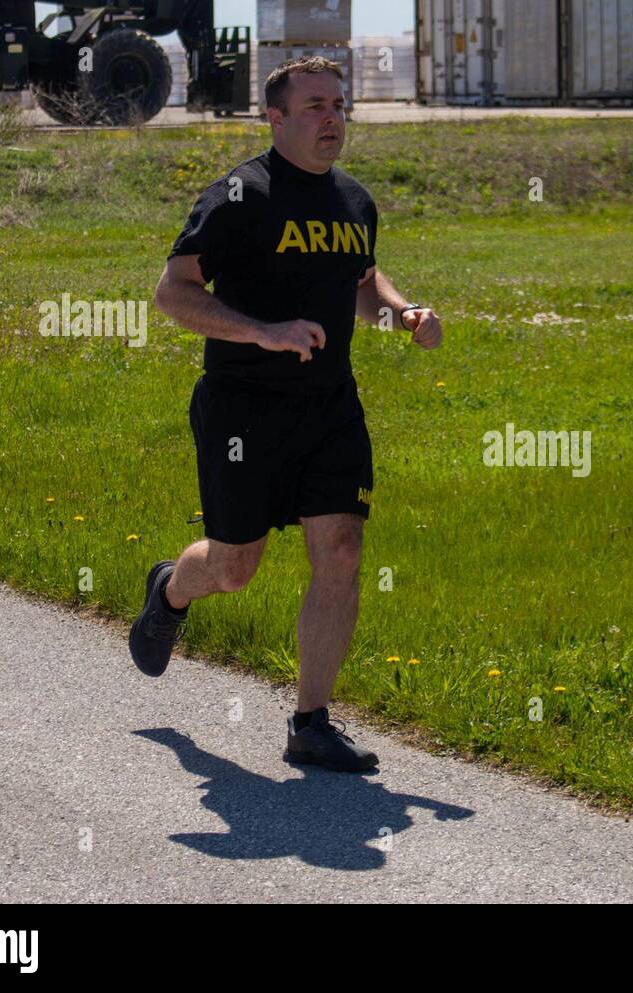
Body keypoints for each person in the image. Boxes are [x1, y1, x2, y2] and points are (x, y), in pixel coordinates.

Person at [128, 56, 443, 773]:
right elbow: (173, 292)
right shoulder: (241, 195)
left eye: (339, 105)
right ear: (274, 118)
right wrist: (262, 331)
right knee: (235, 567)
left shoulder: (355, 201)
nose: (332, 118)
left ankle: (310, 722)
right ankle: (171, 588)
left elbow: (359, 281)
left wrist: (401, 312)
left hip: (330, 406)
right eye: (314, 107)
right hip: (244, 409)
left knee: (341, 551)